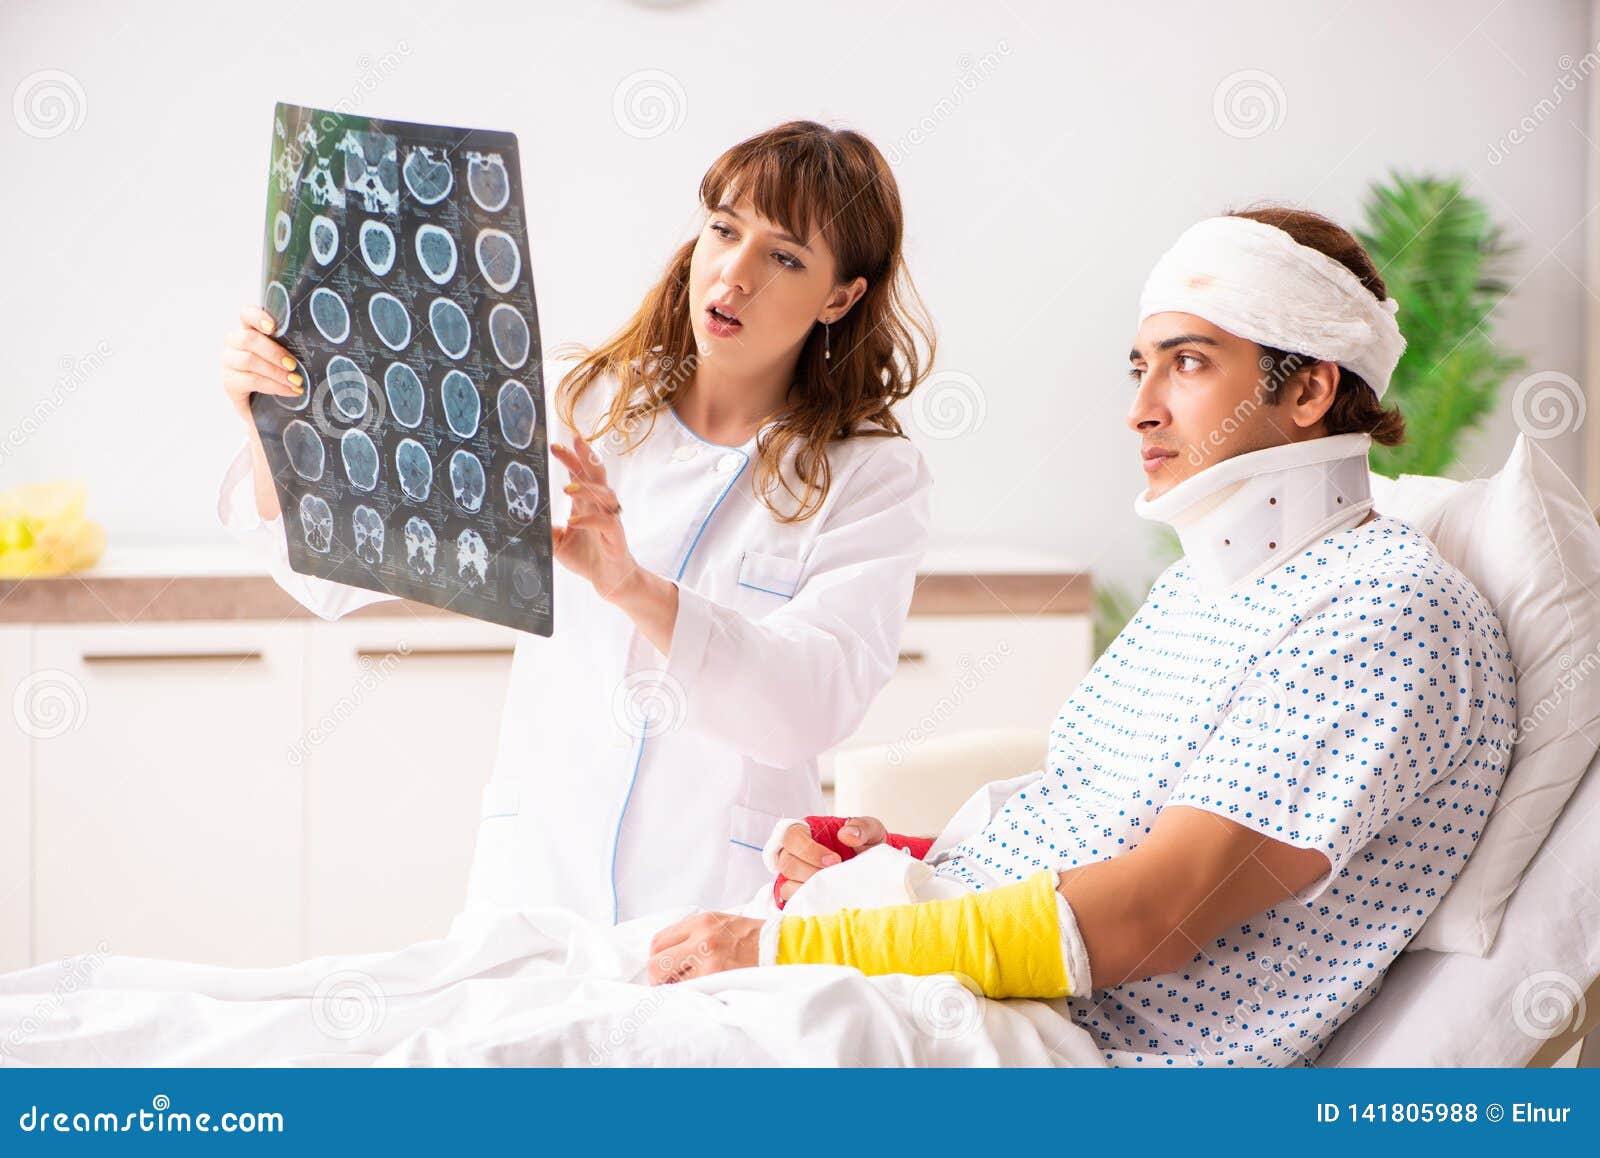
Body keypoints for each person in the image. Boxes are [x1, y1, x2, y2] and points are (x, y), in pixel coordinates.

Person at [647, 206, 1518, 1068]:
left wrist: (788, 949)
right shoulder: (1203, 588)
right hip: (974, 993)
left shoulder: (1385, 613)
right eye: (1141, 367)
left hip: (1056, 1046)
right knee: (587, 978)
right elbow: (1095, 824)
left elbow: (1149, 917)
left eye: (1187, 363)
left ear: (1307, 390)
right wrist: (905, 861)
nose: (1140, 410)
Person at [217, 121, 936, 923]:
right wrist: (268, 419)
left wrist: (631, 587)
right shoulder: (571, 404)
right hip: (536, 885)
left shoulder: (870, 475)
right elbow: (335, 572)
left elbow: (809, 704)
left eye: (786, 258)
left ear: (841, 296)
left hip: (722, 910)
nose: (735, 274)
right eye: (725, 229)